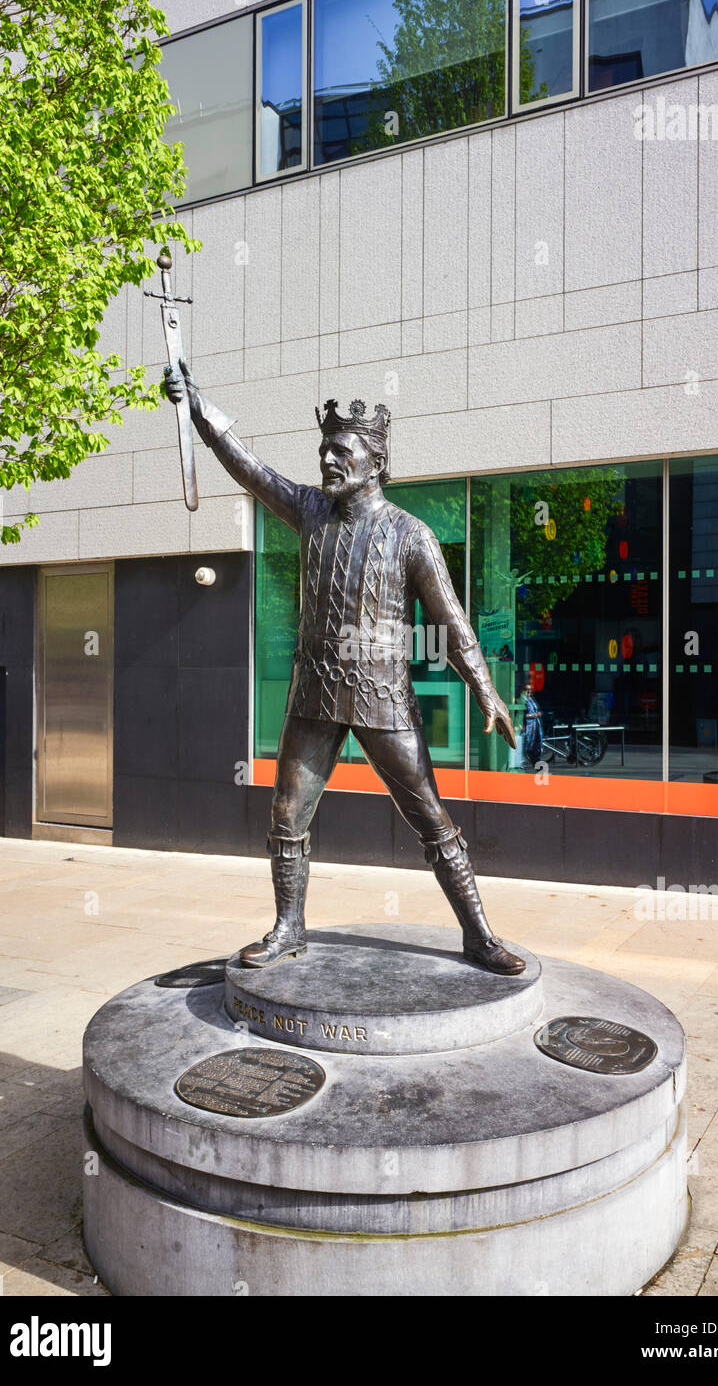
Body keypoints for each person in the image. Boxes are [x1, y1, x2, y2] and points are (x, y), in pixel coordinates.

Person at [164, 360, 524, 976]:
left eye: (341, 451)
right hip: (313, 694)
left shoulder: (412, 536)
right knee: (286, 813)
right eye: (323, 450)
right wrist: (201, 411)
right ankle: (288, 926)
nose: (327, 461)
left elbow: (455, 623)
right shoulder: (308, 511)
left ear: (375, 462)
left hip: (384, 696)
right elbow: (248, 467)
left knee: (432, 819)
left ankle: (479, 935)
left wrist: (486, 690)